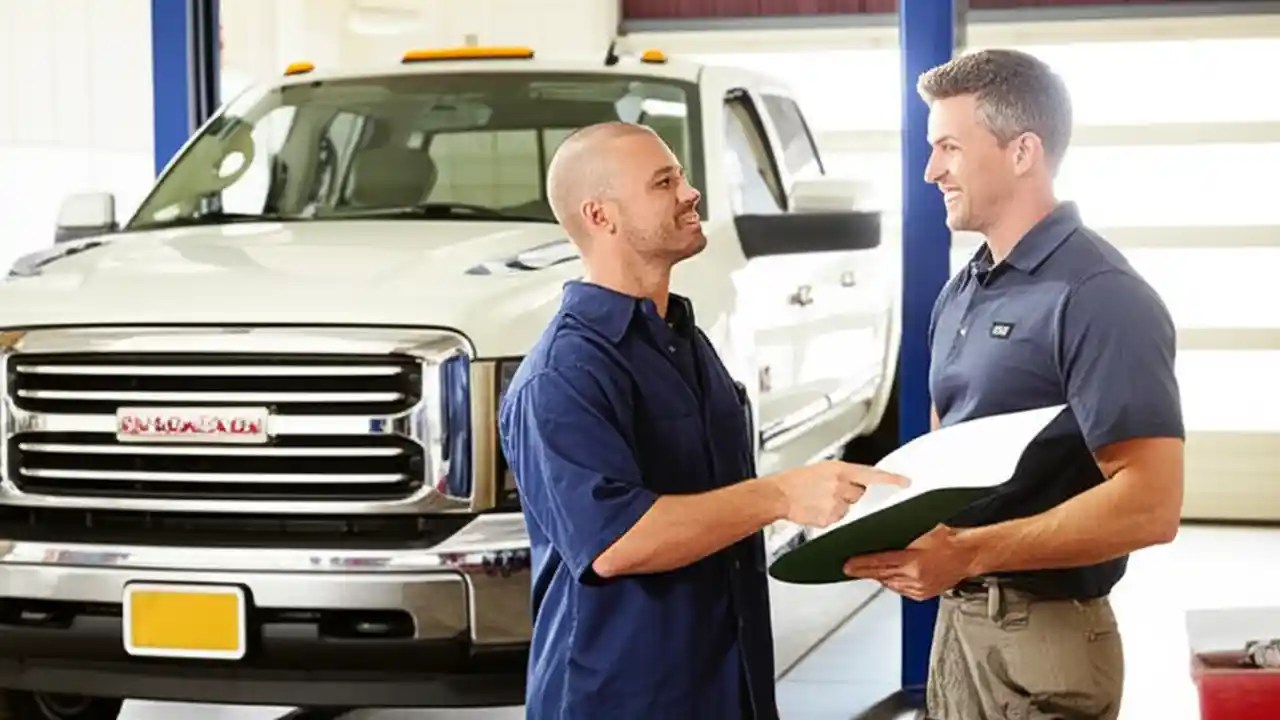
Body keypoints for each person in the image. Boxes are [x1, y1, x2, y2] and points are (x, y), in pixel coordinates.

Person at [498, 121, 908, 720]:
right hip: (622, 701)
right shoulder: (564, 373)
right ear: (601, 216)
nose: (690, 194)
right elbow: (616, 541)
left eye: (682, 177)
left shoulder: (684, 341)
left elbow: (715, 506)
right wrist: (780, 496)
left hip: (725, 688)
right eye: (663, 183)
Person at [842, 49, 1185, 720]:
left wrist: (969, 551)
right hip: (960, 620)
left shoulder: (1099, 294)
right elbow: (947, 454)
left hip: (1046, 636)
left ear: (1023, 151)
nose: (931, 170)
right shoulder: (962, 291)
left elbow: (1151, 504)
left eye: (949, 147)